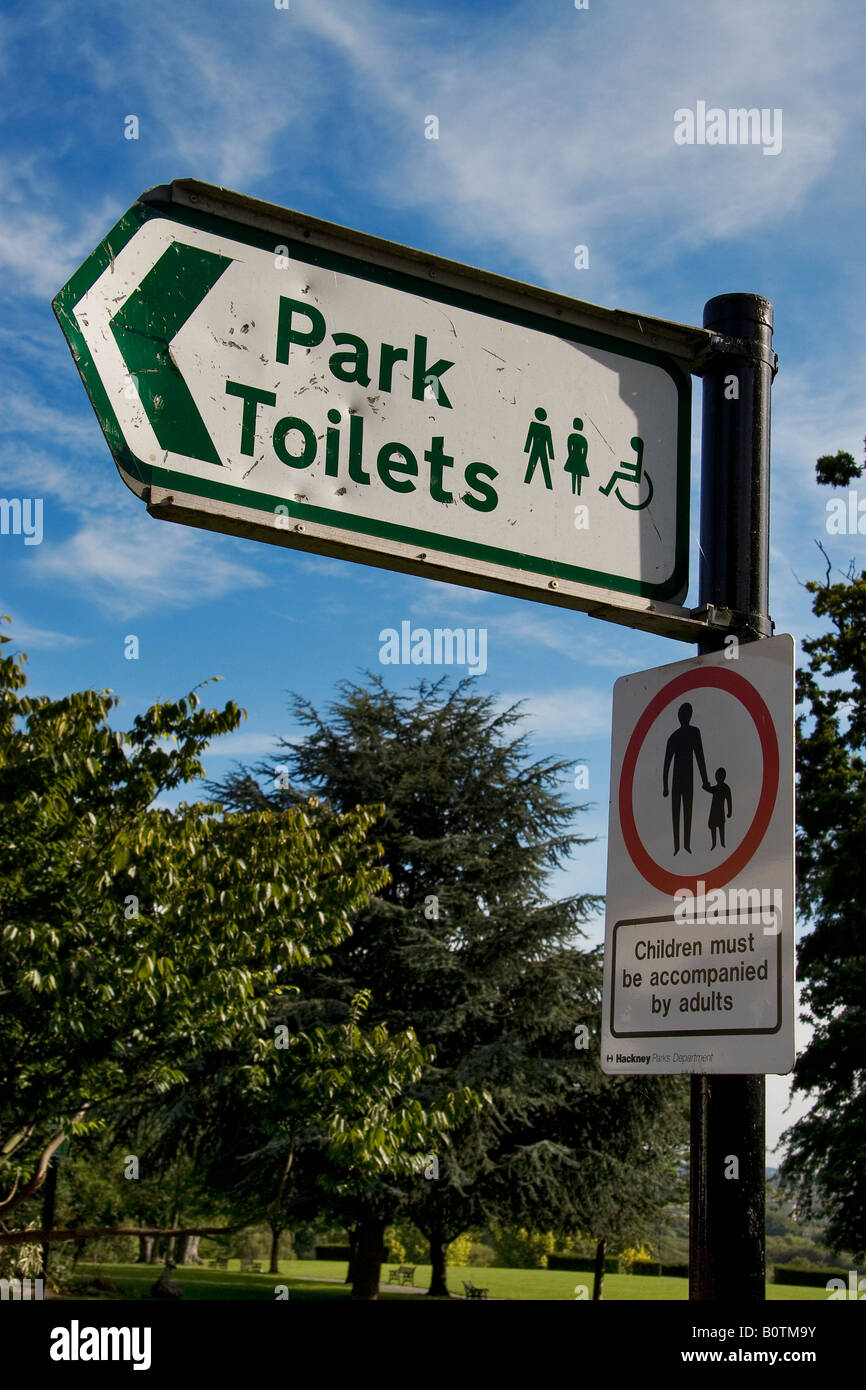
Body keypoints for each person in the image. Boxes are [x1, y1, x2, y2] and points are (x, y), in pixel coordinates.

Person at [662, 702, 710, 855]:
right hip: (677, 779)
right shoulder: (673, 737)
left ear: (690, 716)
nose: (685, 717)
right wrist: (665, 786)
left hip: (688, 778)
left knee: (687, 811)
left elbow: (700, 757)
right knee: (676, 812)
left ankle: (687, 845)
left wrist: (704, 781)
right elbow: (667, 763)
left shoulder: (695, 733)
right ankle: (676, 846)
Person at [707, 767, 733, 850]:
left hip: (720, 811)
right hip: (714, 810)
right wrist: (705, 785)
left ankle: (722, 843)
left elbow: (729, 801)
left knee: (721, 827)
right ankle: (714, 843)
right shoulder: (716, 787)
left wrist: (729, 812)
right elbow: (709, 789)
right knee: (713, 827)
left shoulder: (726, 788)